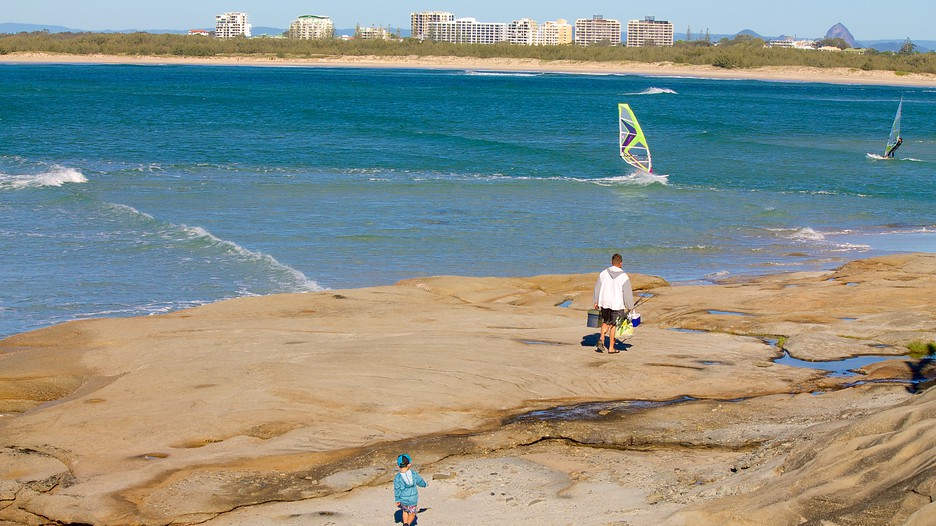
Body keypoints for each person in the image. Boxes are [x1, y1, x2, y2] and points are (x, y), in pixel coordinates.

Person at [593, 253, 636, 354]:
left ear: (612, 262)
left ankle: (602, 338)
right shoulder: (624, 276)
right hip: (616, 304)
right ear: (620, 264)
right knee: (613, 325)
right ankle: (611, 348)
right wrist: (630, 306)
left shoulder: (603, 273)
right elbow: (627, 293)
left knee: (605, 321)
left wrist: (596, 301)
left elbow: (597, 288)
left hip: (604, 302)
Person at [394, 453, 427, 526]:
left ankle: (405, 523)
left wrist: (397, 499)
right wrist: (424, 484)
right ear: (409, 465)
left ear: (398, 466)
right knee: (412, 513)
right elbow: (420, 481)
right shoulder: (413, 474)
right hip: (413, 498)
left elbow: (397, 489)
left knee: (405, 512)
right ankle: (408, 524)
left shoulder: (398, 477)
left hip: (403, 498)